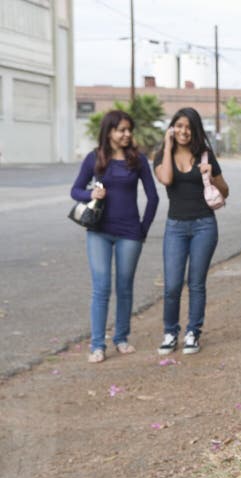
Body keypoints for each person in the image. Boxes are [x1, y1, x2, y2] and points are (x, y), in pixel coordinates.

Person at [70, 110, 159, 363]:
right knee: (101, 288)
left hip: (130, 233)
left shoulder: (138, 160)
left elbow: (153, 197)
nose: (127, 134)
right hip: (99, 231)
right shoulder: (94, 158)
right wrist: (91, 196)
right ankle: (97, 345)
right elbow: (75, 190)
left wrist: (143, 229)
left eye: (129, 129)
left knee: (124, 287)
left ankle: (121, 338)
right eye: (121, 129)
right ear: (109, 131)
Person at [153, 107, 229, 356]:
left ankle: (193, 333)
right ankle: (170, 332)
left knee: (196, 283)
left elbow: (225, 191)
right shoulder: (162, 155)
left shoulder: (205, 156)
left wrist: (212, 176)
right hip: (175, 226)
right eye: (179, 126)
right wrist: (167, 143)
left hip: (204, 225)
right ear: (172, 127)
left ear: (194, 130)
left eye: (189, 127)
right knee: (172, 284)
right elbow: (165, 179)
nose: (184, 131)